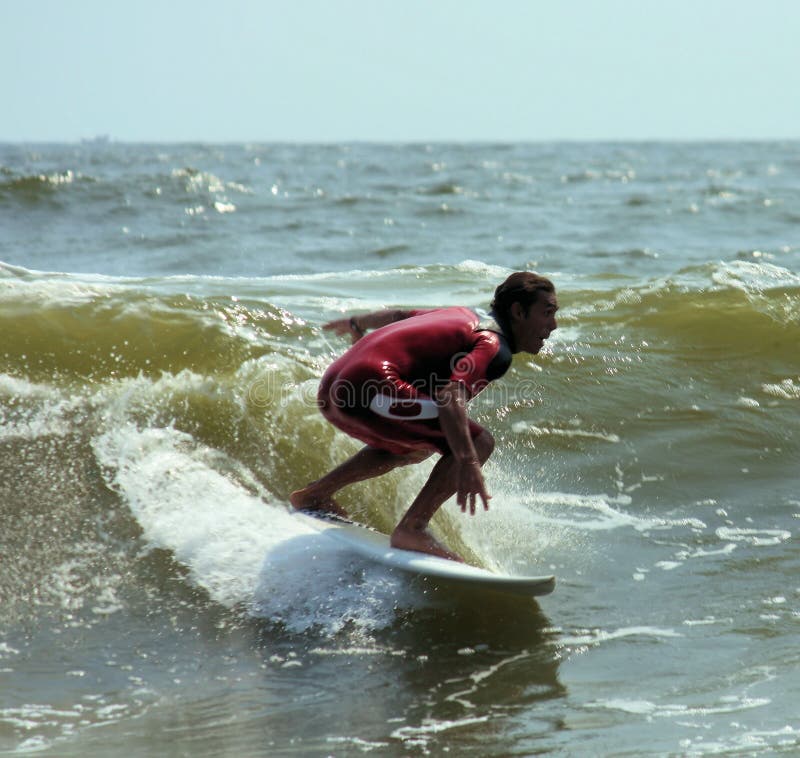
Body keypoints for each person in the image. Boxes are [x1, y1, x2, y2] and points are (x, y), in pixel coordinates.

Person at [290, 272, 558, 561]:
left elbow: (400, 315)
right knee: (480, 442)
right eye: (547, 313)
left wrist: (359, 323)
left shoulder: (461, 314)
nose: (553, 325)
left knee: (415, 445)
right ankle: (412, 528)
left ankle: (314, 495)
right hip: (370, 388)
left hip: (333, 386)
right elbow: (448, 396)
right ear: (518, 311)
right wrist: (468, 461)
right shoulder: (493, 345)